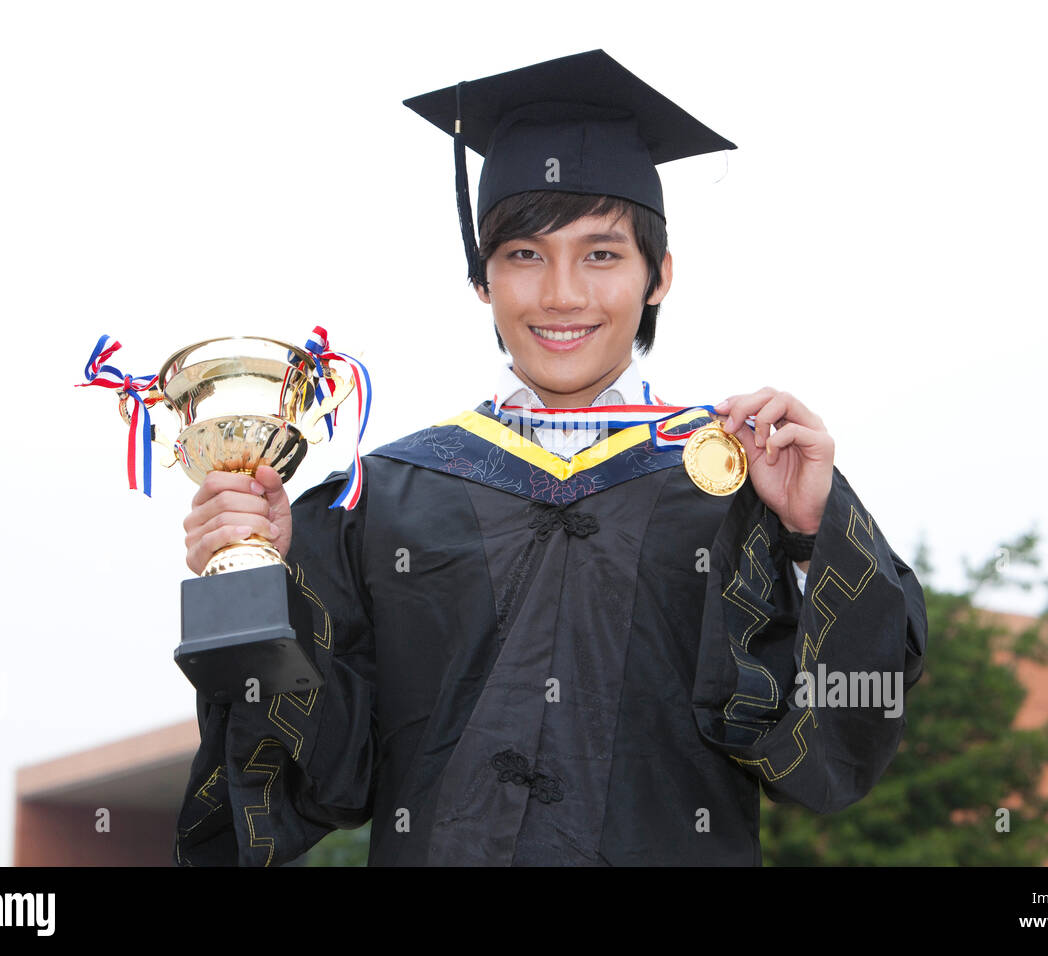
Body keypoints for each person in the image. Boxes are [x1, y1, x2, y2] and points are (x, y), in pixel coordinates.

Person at [173, 50, 928, 866]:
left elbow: (825, 760)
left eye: (601, 255)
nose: (562, 294)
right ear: (482, 281)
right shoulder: (381, 500)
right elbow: (312, 783)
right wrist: (255, 586)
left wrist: (816, 535)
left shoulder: (738, 484)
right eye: (524, 255)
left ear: (658, 277)